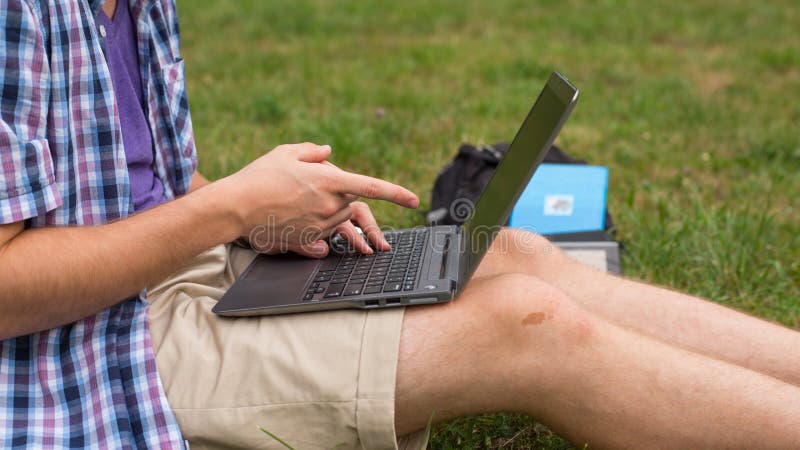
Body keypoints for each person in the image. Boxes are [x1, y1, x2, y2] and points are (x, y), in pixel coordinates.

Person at [2, 0, 799, 448]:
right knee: (530, 327)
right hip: (91, 350)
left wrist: (263, 223)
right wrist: (233, 205)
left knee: (515, 255)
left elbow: (149, 186)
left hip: (177, 268)